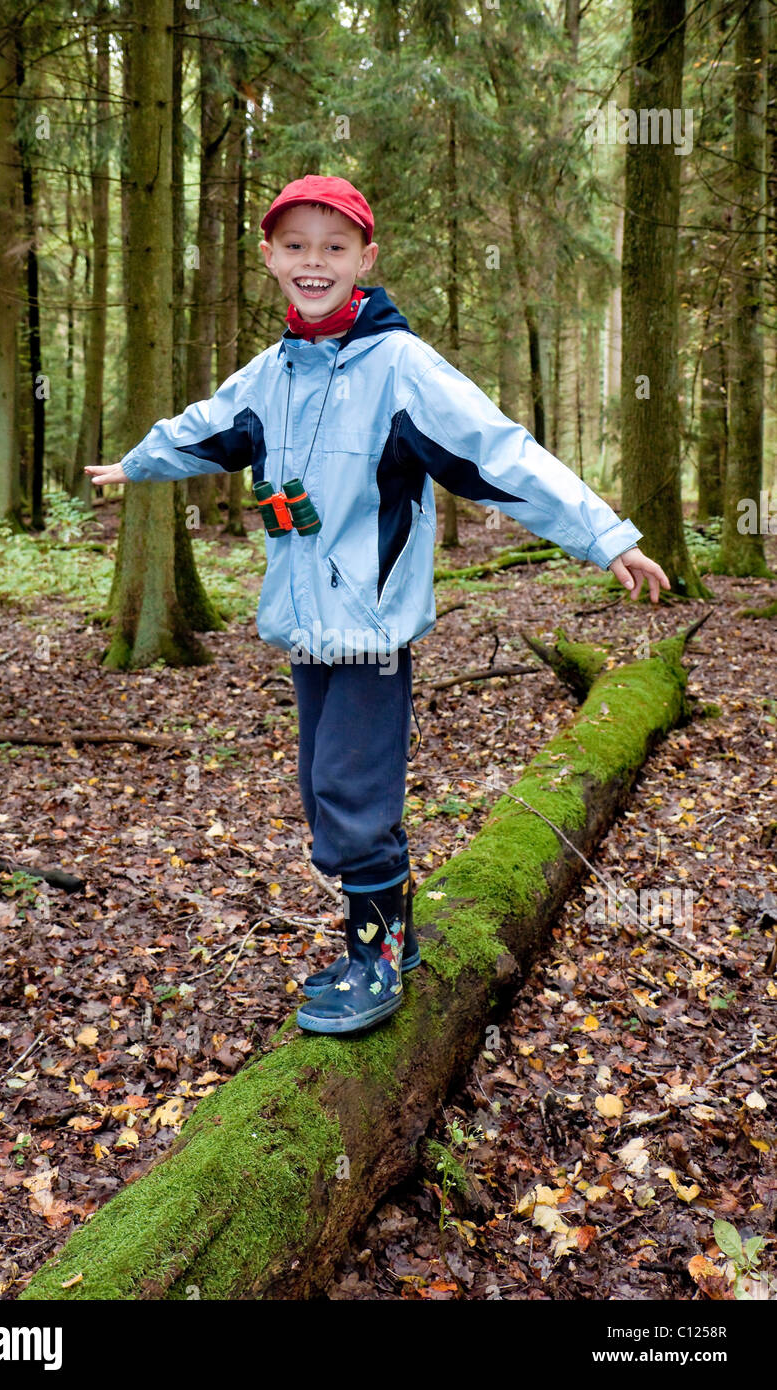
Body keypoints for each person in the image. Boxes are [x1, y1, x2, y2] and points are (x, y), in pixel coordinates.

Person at [86, 174, 670, 1038]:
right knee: (324, 799)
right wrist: (139, 461)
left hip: (367, 629)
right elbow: (210, 425)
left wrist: (604, 534)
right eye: (295, 246)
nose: (312, 262)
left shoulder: (400, 367)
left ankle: (376, 966)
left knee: (352, 797)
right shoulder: (274, 372)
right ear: (269, 258)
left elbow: (497, 451)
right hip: (304, 625)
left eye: (333, 247)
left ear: (365, 258)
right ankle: (392, 934)